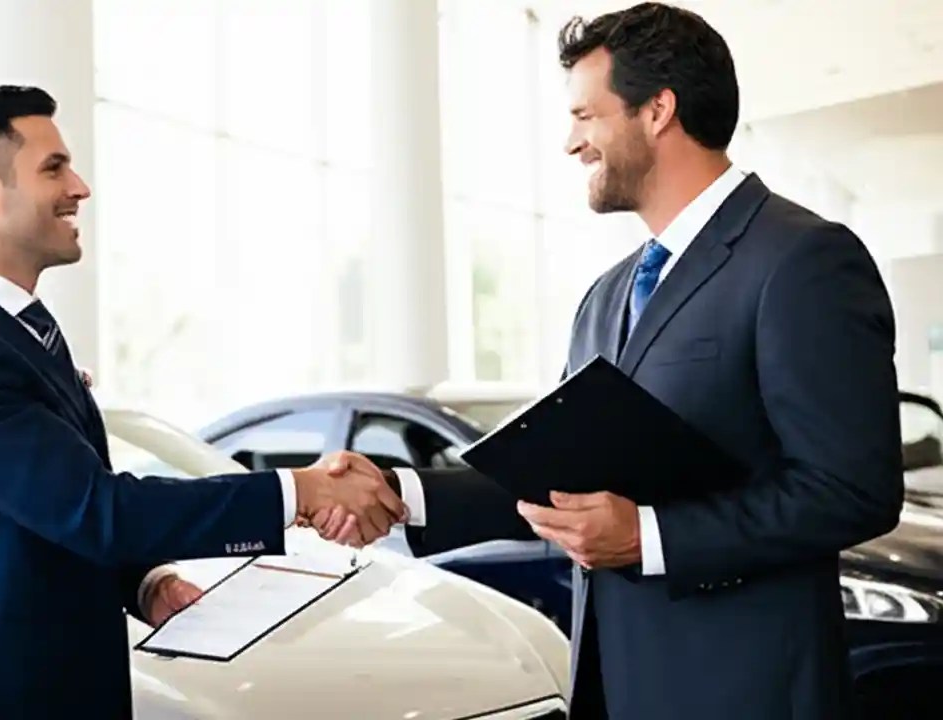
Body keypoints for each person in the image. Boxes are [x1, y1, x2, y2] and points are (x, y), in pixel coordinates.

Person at [322, 4, 903, 719]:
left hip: (743, 686)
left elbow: (853, 488)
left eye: (587, 116)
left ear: (658, 109)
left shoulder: (802, 259)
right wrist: (396, 492)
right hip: (619, 678)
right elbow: (559, 481)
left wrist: (650, 536)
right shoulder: (607, 294)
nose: (572, 143)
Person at [0, 85, 404, 720]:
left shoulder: (10, 331)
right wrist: (303, 491)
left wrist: (145, 583)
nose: (80, 187)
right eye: (53, 168)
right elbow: (98, 510)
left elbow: (47, 511)